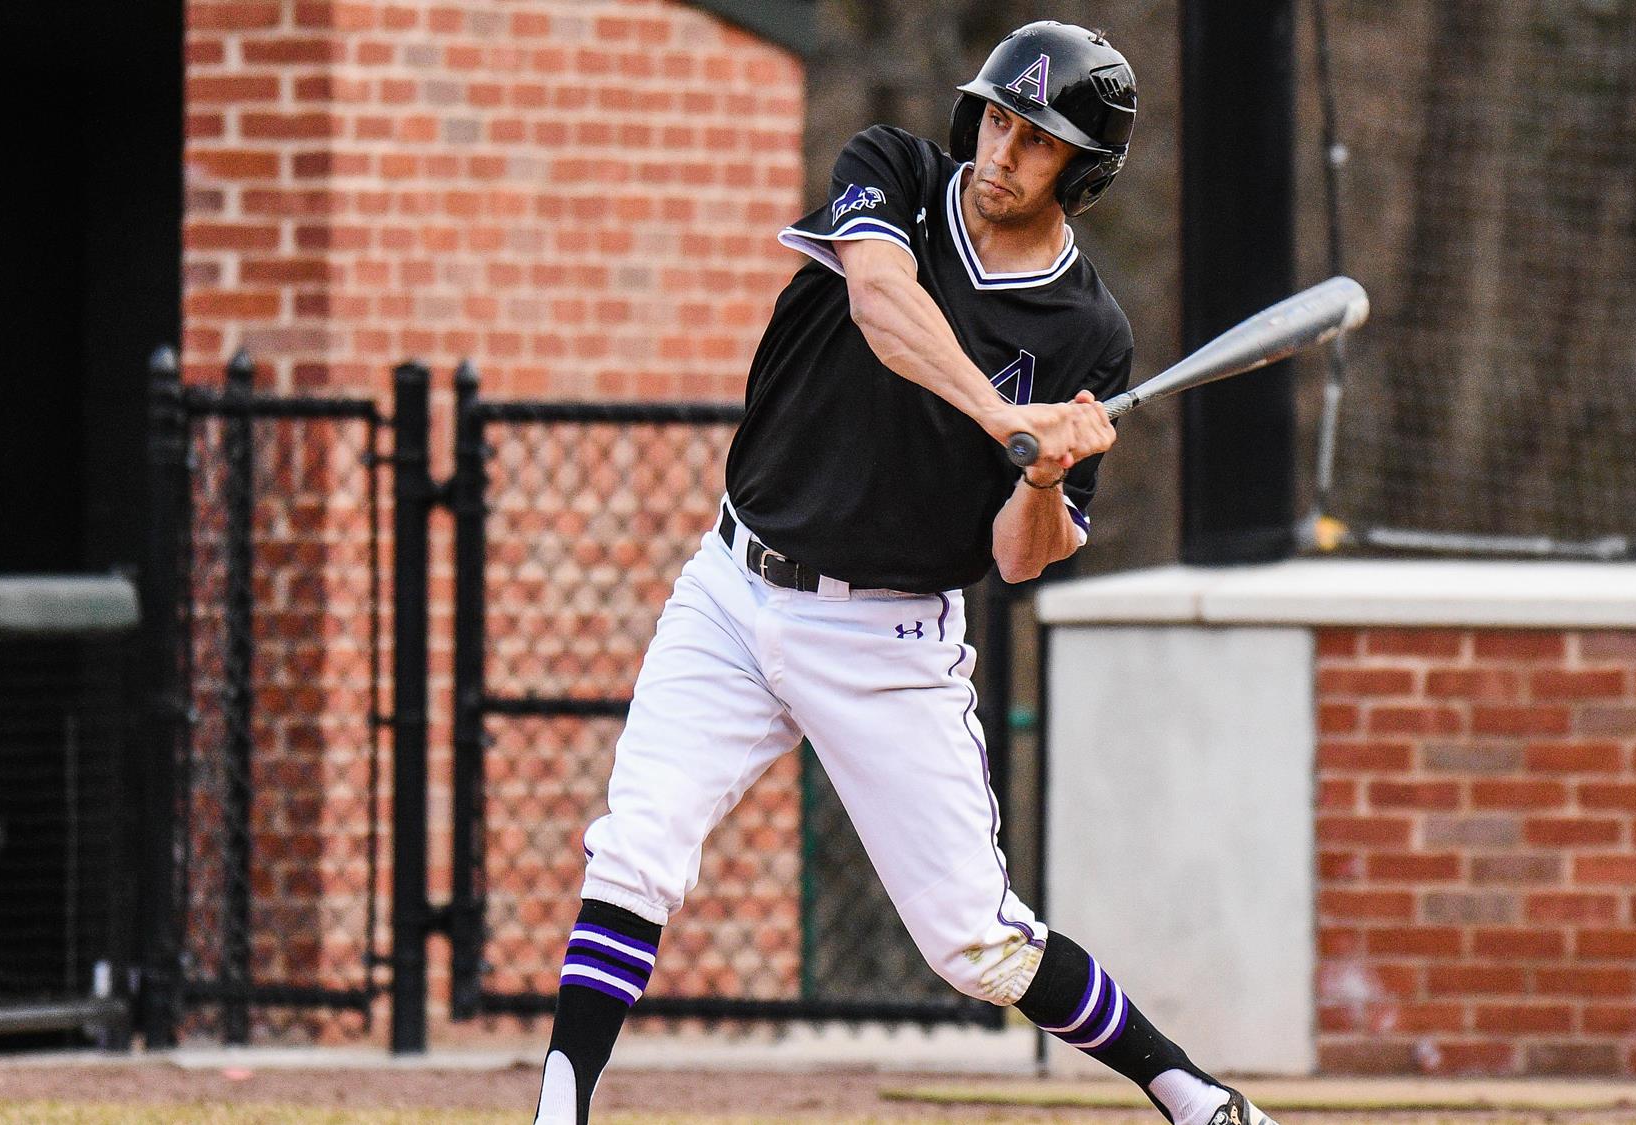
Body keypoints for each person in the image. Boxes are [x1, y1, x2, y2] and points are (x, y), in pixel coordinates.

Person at [532, 21, 1281, 1125]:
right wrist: (1002, 416)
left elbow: (1017, 556)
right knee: (636, 849)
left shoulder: (1087, 333)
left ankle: (1191, 1092)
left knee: (975, 942)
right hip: (733, 588)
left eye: (1037, 140)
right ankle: (557, 1112)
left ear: (1083, 172)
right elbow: (881, 305)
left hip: (884, 639)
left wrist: (1041, 475)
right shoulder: (893, 172)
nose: (1002, 151)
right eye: (998, 119)